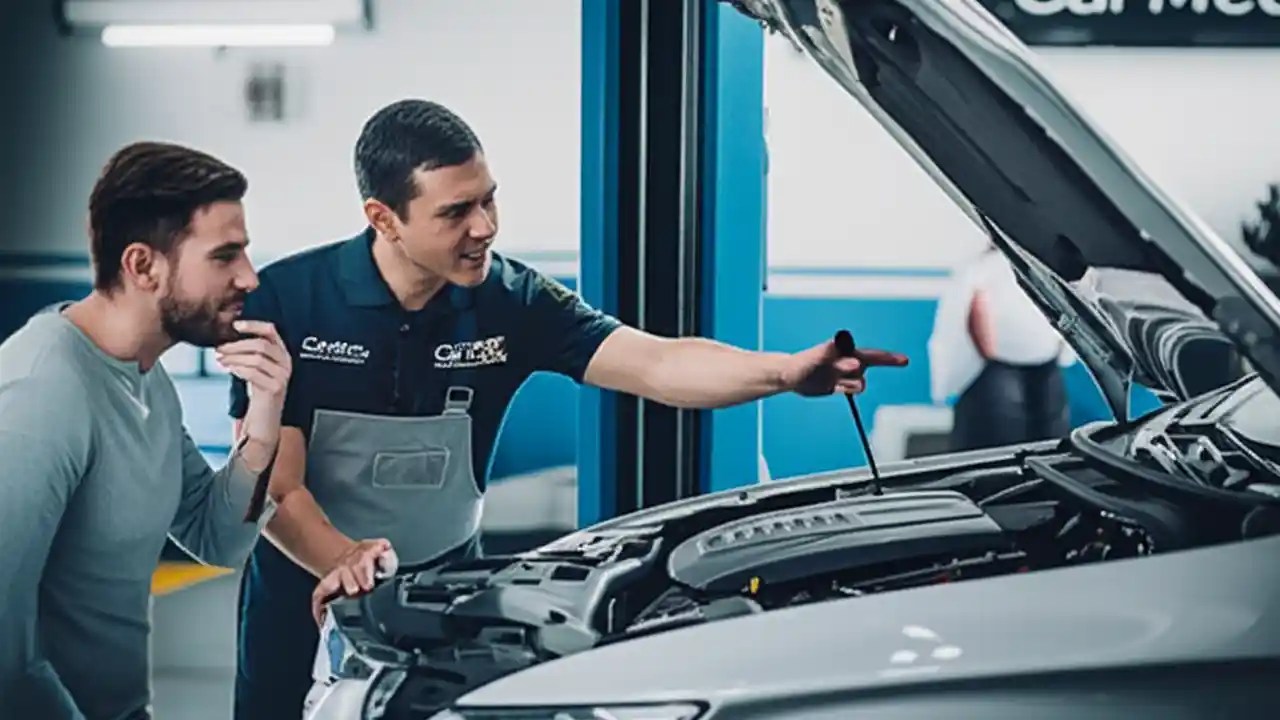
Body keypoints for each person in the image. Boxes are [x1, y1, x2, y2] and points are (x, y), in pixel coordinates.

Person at [227, 98, 910, 719]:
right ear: (384, 218)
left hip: (442, 594)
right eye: (455, 213)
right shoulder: (287, 302)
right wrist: (344, 562)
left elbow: (656, 362)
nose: (484, 228)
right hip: (303, 595)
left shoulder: (511, 300)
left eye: (489, 201)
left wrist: (787, 372)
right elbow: (274, 484)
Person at [0, 141, 292, 720]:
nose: (249, 278)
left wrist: (264, 421)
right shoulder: (42, 391)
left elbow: (219, 539)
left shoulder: (145, 379)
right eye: (224, 256)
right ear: (142, 266)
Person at [927, 244, 1074, 451]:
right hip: (998, 370)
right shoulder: (982, 267)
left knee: (1045, 450)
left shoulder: (1043, 265)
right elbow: (975, 313)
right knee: (1000, 453)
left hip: (1042, 367)